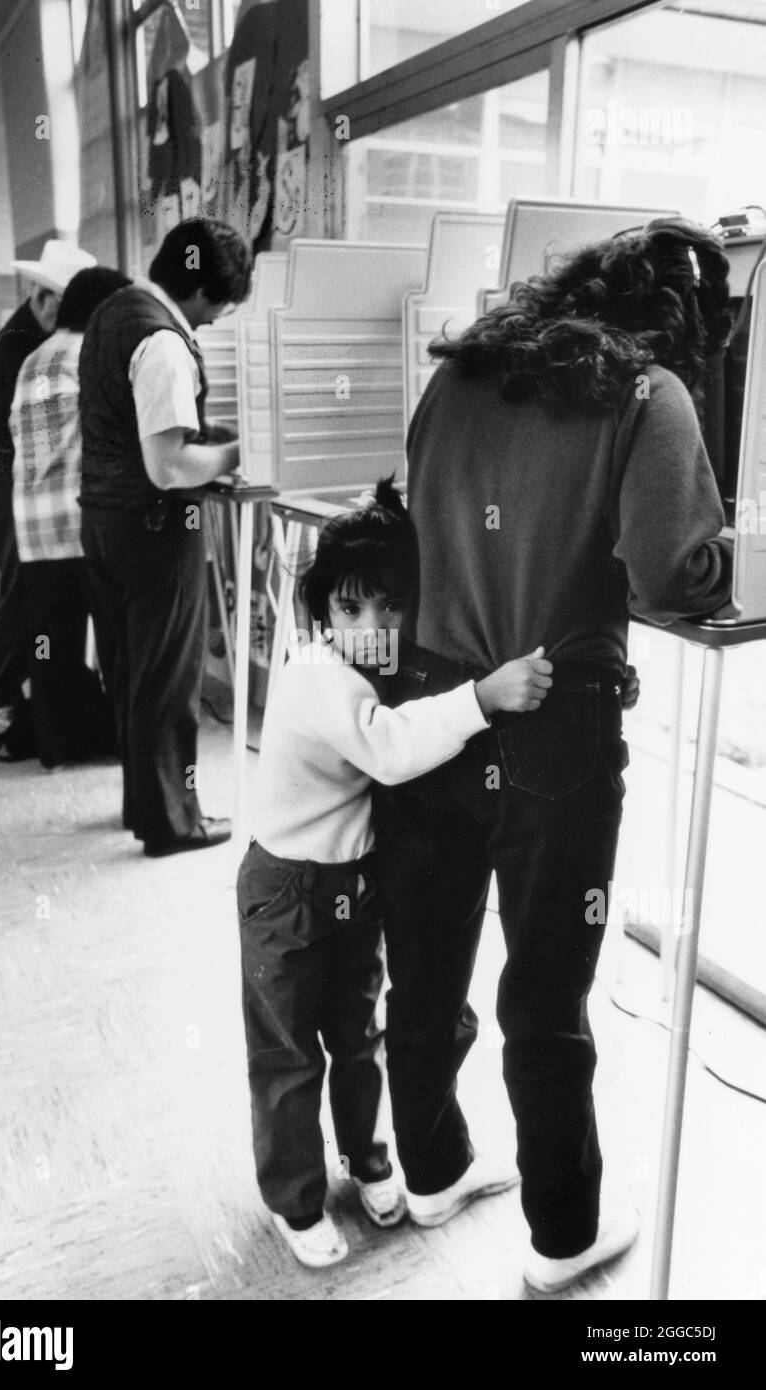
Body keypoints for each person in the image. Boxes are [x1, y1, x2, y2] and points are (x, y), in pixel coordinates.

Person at [372, 217, 735, 1295]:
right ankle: (562, 1233)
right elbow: (672, 574)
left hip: (433, 704)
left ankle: (431, 1168)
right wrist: (728, 547)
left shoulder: (463, 372)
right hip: (553, 729)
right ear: (685, 327)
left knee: (426, 961)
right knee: (541, 994)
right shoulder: (645, 396)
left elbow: (423, 514)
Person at [237, 478, 554, 1268]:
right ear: (321, 618)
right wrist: (485, 696)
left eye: (389, 606)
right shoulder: (318, 675)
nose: (372, 628)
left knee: (356, 1037)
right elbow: (391, 745)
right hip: (285, 892)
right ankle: (295, 1199)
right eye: (350, 610)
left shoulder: (372, 665)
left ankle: (368, 1158)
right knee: (288, 1056)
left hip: (350, 887)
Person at [78, 219, 252, 856]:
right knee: (167, 684)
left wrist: (201, 432)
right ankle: (172, 823)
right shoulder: (165, 344)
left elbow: (130, 427)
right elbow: (169, 466)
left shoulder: (113, 312)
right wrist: (236, 451)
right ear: (201, 288)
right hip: (155, 527)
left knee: (128, 674)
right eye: (219, 303)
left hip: (102, 522)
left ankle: (142, 806)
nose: (214, 319)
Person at [8, 266, 131, 768]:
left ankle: (56, 744)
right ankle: (122, 739)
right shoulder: (93, 356)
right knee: (110, 637)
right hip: (81, 525)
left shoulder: (32, 360)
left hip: (34, 527)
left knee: (49, 644)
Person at [0, 239, 98, 725]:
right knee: (21, 583)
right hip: (11, 472)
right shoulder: (17, 346)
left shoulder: (37, 334)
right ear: (43, 296)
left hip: (25, 471)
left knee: (34, 584)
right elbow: (30, 430)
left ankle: (37, 686)